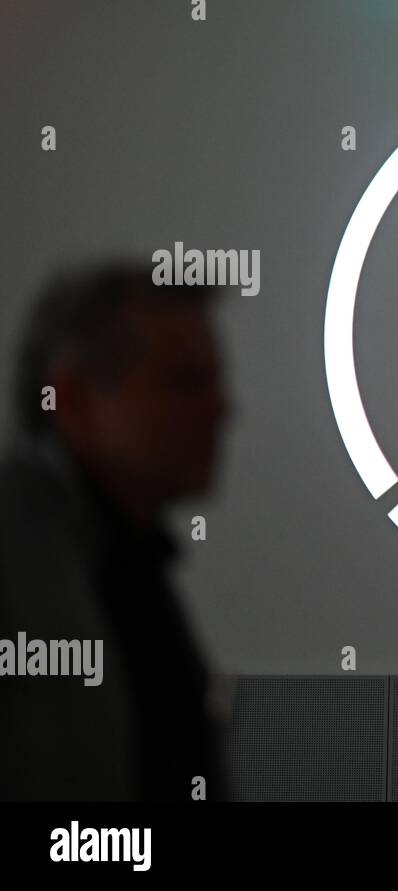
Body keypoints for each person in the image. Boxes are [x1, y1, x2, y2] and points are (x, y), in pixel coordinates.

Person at [0, 263, 231, 800]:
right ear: (74, 402)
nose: (221, 409)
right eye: (186, 383)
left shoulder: (121, 559)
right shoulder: (34, 574)